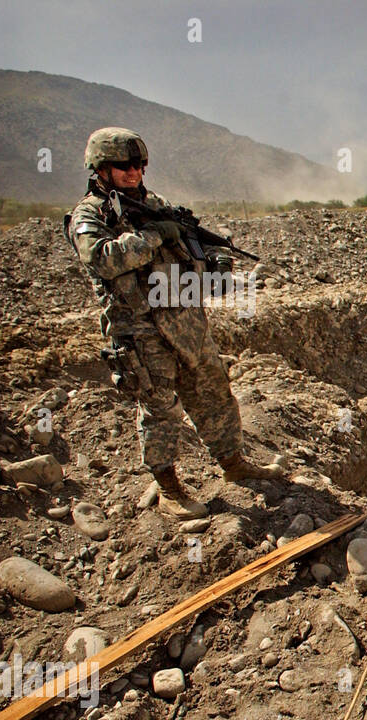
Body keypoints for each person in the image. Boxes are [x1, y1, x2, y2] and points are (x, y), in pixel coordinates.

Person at [68, 127, 286, 520]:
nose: (134, 171)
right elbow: (102, 259)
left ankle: (233, 462)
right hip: (141, 328)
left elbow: (184, 255)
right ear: (100, 168)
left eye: (139, 164)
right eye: (123, 165)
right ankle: (168, 489)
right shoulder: (90, 215)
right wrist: (151, 237)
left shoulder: (156, 204)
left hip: (185, 318)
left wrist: (210, 263)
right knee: (161, 409)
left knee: (215, 392)